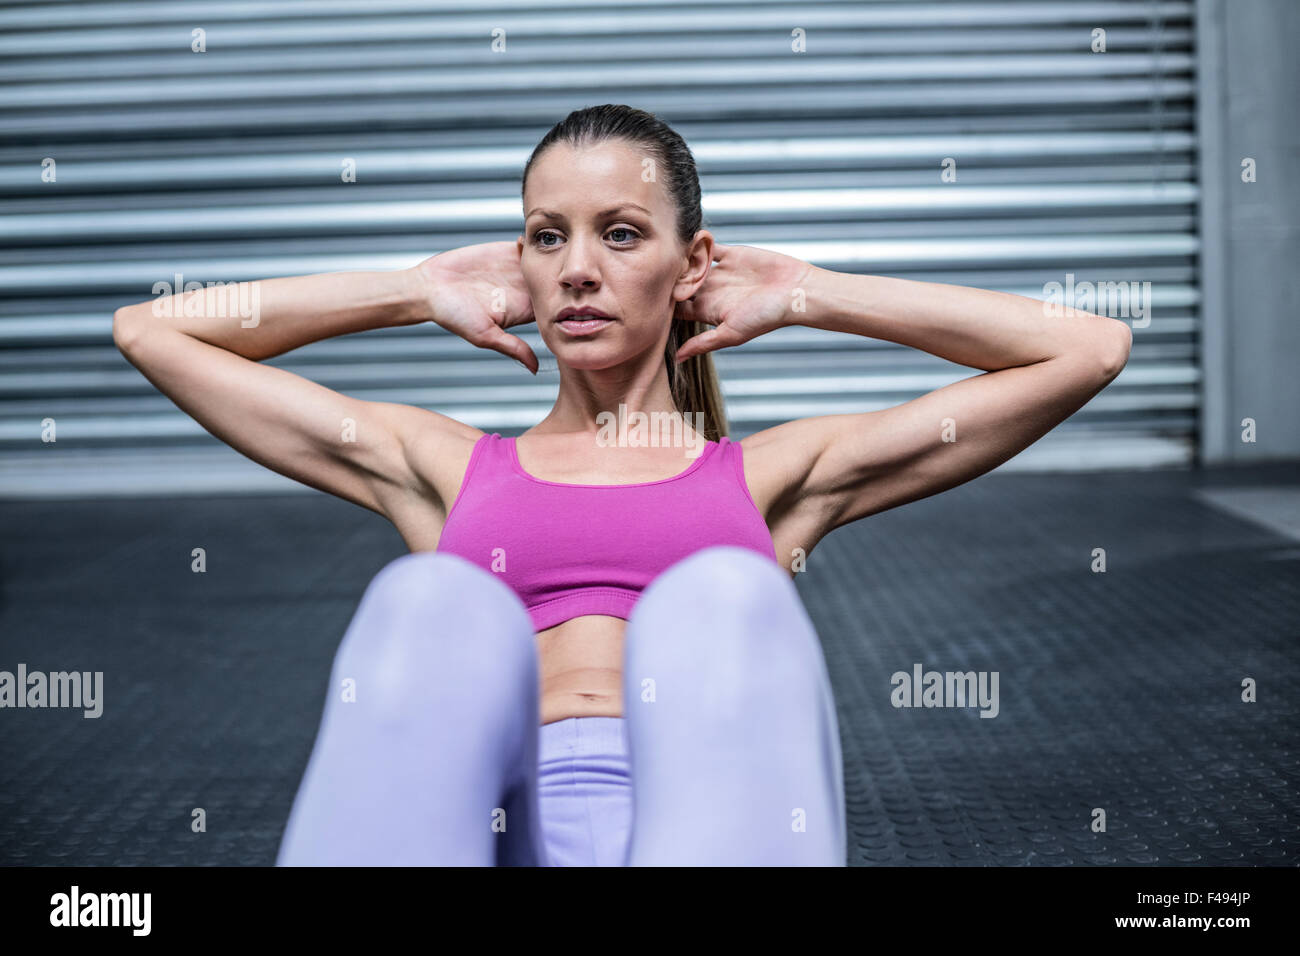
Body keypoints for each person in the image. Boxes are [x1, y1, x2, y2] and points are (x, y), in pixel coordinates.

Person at [111, 104, 1131, 866]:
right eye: (547, 235)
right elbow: (153, 333)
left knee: (725, 598)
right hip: (489, 822)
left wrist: (809, 293)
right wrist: (414, 289)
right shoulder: (446, 466)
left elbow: (1087, 349)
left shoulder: (772, 476)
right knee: (427, 602)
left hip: (710, 813)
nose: (576, 269)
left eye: (622, 232)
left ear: (692, 263)